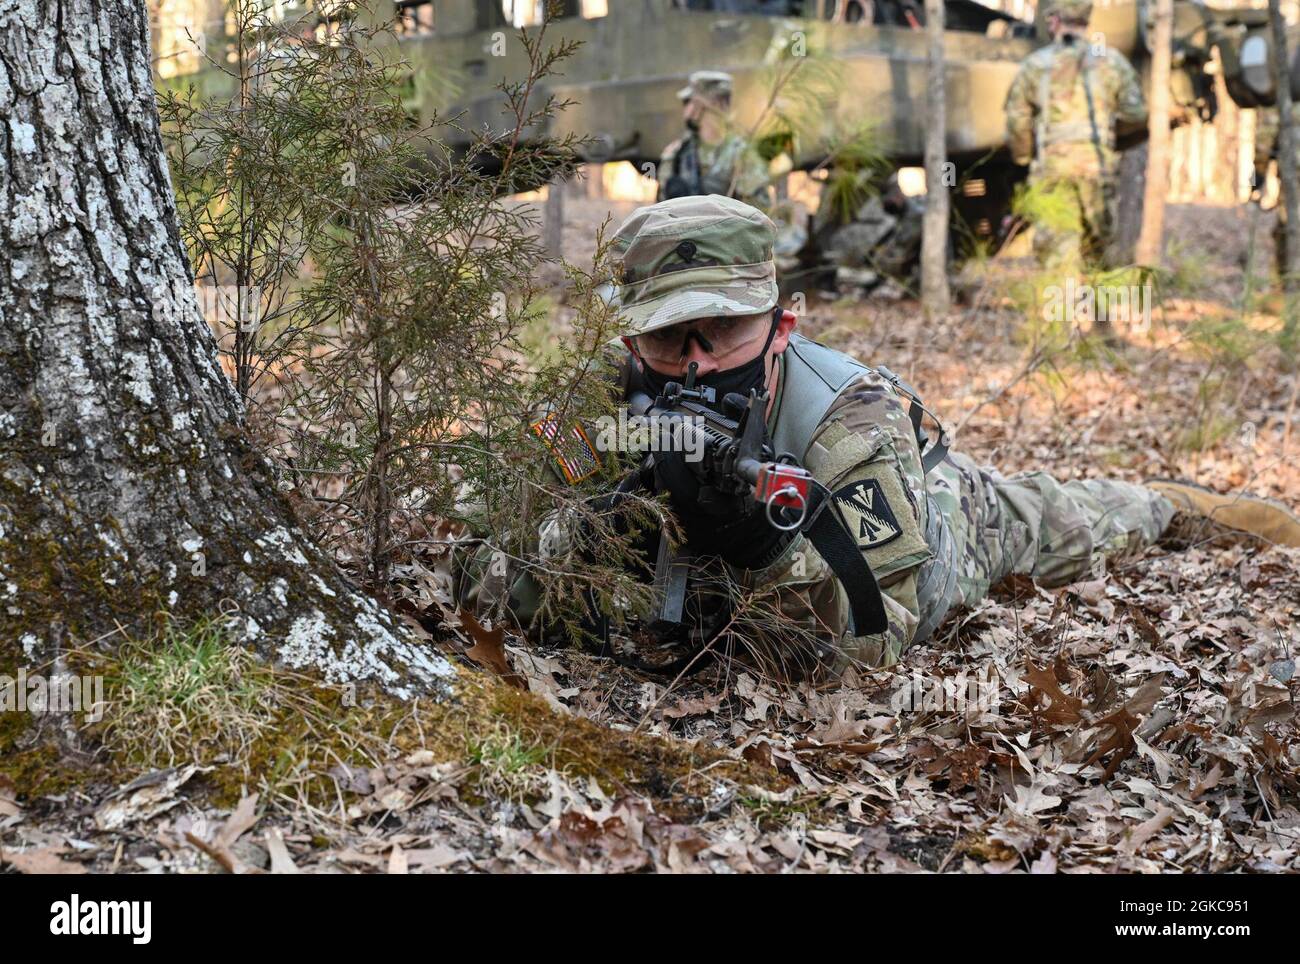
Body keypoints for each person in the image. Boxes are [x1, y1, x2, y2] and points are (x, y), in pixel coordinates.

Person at [497, 195, 1300, 679]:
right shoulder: (594, 400)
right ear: (630, 339)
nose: (699, 364)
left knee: (1064, 515)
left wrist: (756, 543)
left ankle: (1179, 504)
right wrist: (593, 541)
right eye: (672, 339)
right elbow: (479, 565)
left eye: (724, 333)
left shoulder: (852, 424)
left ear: (783, 328)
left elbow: (877, 641)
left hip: (943, 521)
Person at [1003, 0, 1147, 270]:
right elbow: (1136, 115)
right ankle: (1100, 311)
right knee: (1100, 255)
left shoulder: (1035, 65)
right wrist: (1108, 137)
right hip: (1098, 167)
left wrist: (1023, 157)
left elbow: (1017, 120)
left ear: (1056, 20)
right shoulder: (1112, 62)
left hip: (1053, 170)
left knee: (1057, 254)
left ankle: (1061, 310)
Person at [658, 70, 771, 211]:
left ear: (711, 104)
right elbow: (660, 211)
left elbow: (759, 213)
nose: (686, 110)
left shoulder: (743, 155)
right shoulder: (677, 155)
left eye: (689, 102)